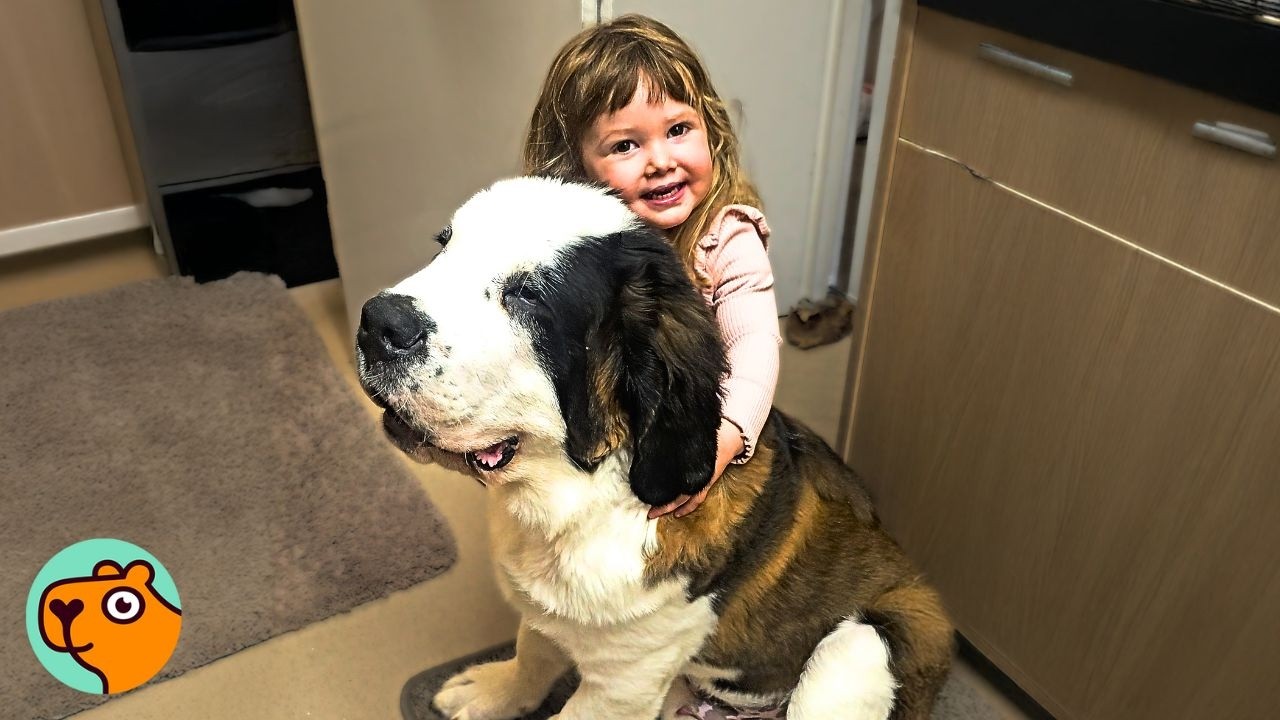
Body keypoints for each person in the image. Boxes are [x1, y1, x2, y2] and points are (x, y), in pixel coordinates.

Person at [523, 14, 780, 520]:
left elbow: (755, 344)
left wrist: (727, 435)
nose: (660, 160)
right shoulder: (580, 246)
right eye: (625, 145)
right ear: (577, 167)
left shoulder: (726, 238)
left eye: (679, 130)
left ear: (712, 129)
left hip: (699, 423)